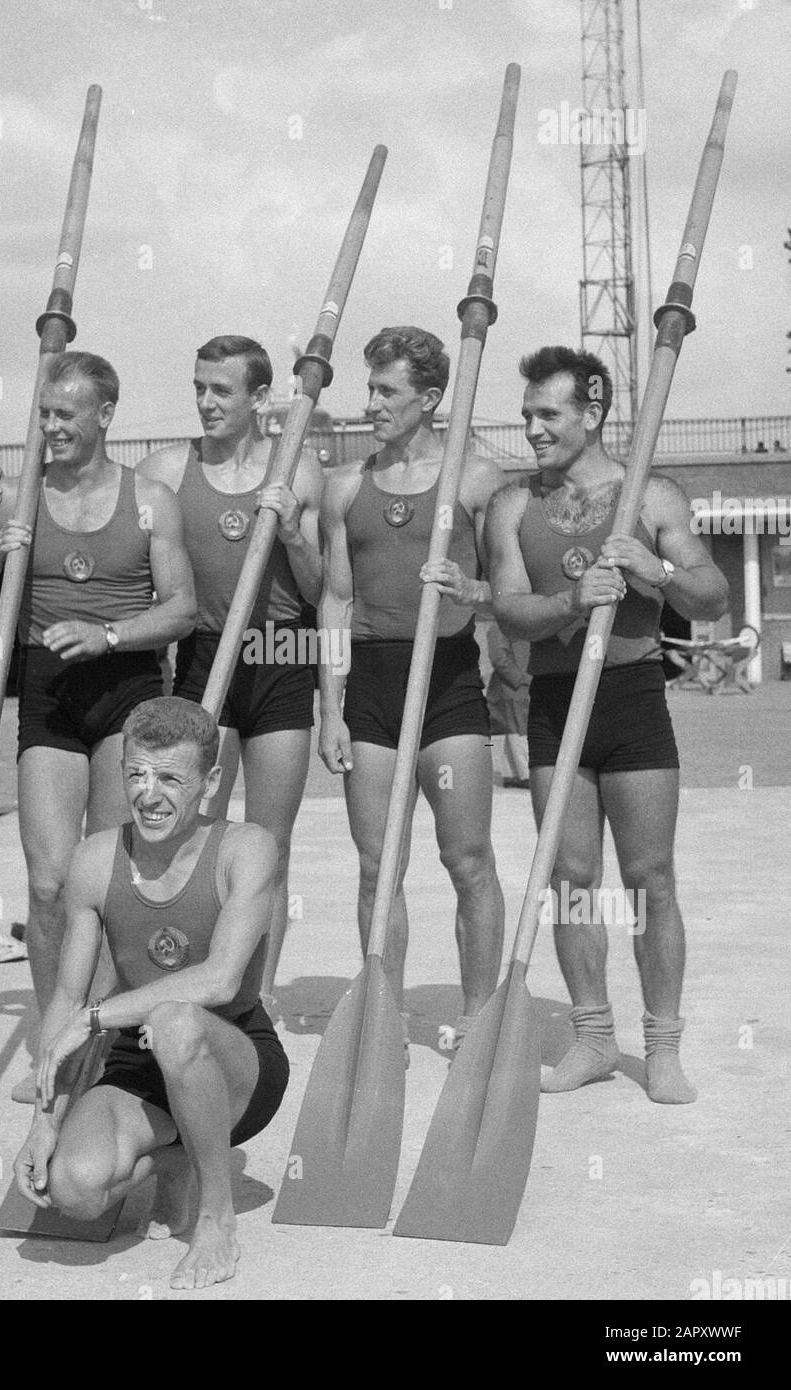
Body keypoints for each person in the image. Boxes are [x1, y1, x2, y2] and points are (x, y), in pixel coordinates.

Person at [0, 352, 196, 1100]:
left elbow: (183, 608)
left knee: (114, 877)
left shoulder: (150, 499)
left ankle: (107, 1035)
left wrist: (109, 635)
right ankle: (53, 1043)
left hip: (126, 688)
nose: (50, 427)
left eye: (65, 414)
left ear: (105, 416)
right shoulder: (10, 502)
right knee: (52, 881)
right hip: (48, 694)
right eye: (43, 413)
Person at [485, 345, 728, 1103]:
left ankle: (661, 1047)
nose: (531, 428)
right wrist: (570, 602)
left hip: (631, 698)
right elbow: (508, 611)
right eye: (527, 413)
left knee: (649, 877)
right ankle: (592, 1038)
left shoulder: (650, 496)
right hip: (557, 706)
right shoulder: (512, 506)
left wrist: (649, 568)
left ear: (592, 415)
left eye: (548, 413)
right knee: (572, 879)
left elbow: (712, 596)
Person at [12, 697, 288, 1290]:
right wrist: (43, 1122)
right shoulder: (93, 861)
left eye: (170, 777)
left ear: (211, 782)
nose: (149, 794)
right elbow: (66, 998)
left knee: (175, 1021)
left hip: (235, 1057)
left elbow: (220, 980)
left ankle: (216, 1218)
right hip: (139, 1059)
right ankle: (178, 1159)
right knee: (74, 1189)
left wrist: (97, 1018)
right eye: (136, 774)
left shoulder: (248, 849)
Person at [318, 326, 505, 1055]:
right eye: (368, 389)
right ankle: (383, 1013)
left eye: (386, 391)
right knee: (377, 864)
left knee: (467, 859)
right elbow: (335, 601)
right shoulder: (344, 487)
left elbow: (509, 595)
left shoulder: (475, 480)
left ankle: (481, 1013)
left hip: (450, 679)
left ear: (429, 399)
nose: (371, 404)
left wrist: (472, 588)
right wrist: (329, 704)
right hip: (370, 686)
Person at [136, 336, 324, 1001]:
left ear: (261, 398)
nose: (205, 402)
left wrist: (294, 530)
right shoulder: (164, 470)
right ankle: (188, 978)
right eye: (198, 388)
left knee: (269, 841)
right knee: (191, 831)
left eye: (221, 390)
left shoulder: (297, 470)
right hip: (203, 655)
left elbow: (319, 588)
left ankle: (259, 996)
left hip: (281, 653)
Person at [485, 621, 531, 789]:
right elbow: (499, 658)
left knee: (513, 728)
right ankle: (525, 773)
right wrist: (521, 679)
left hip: (515, 685)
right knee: (518, 729)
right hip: (511, 686)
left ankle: (511, 773)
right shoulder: (499, 627)